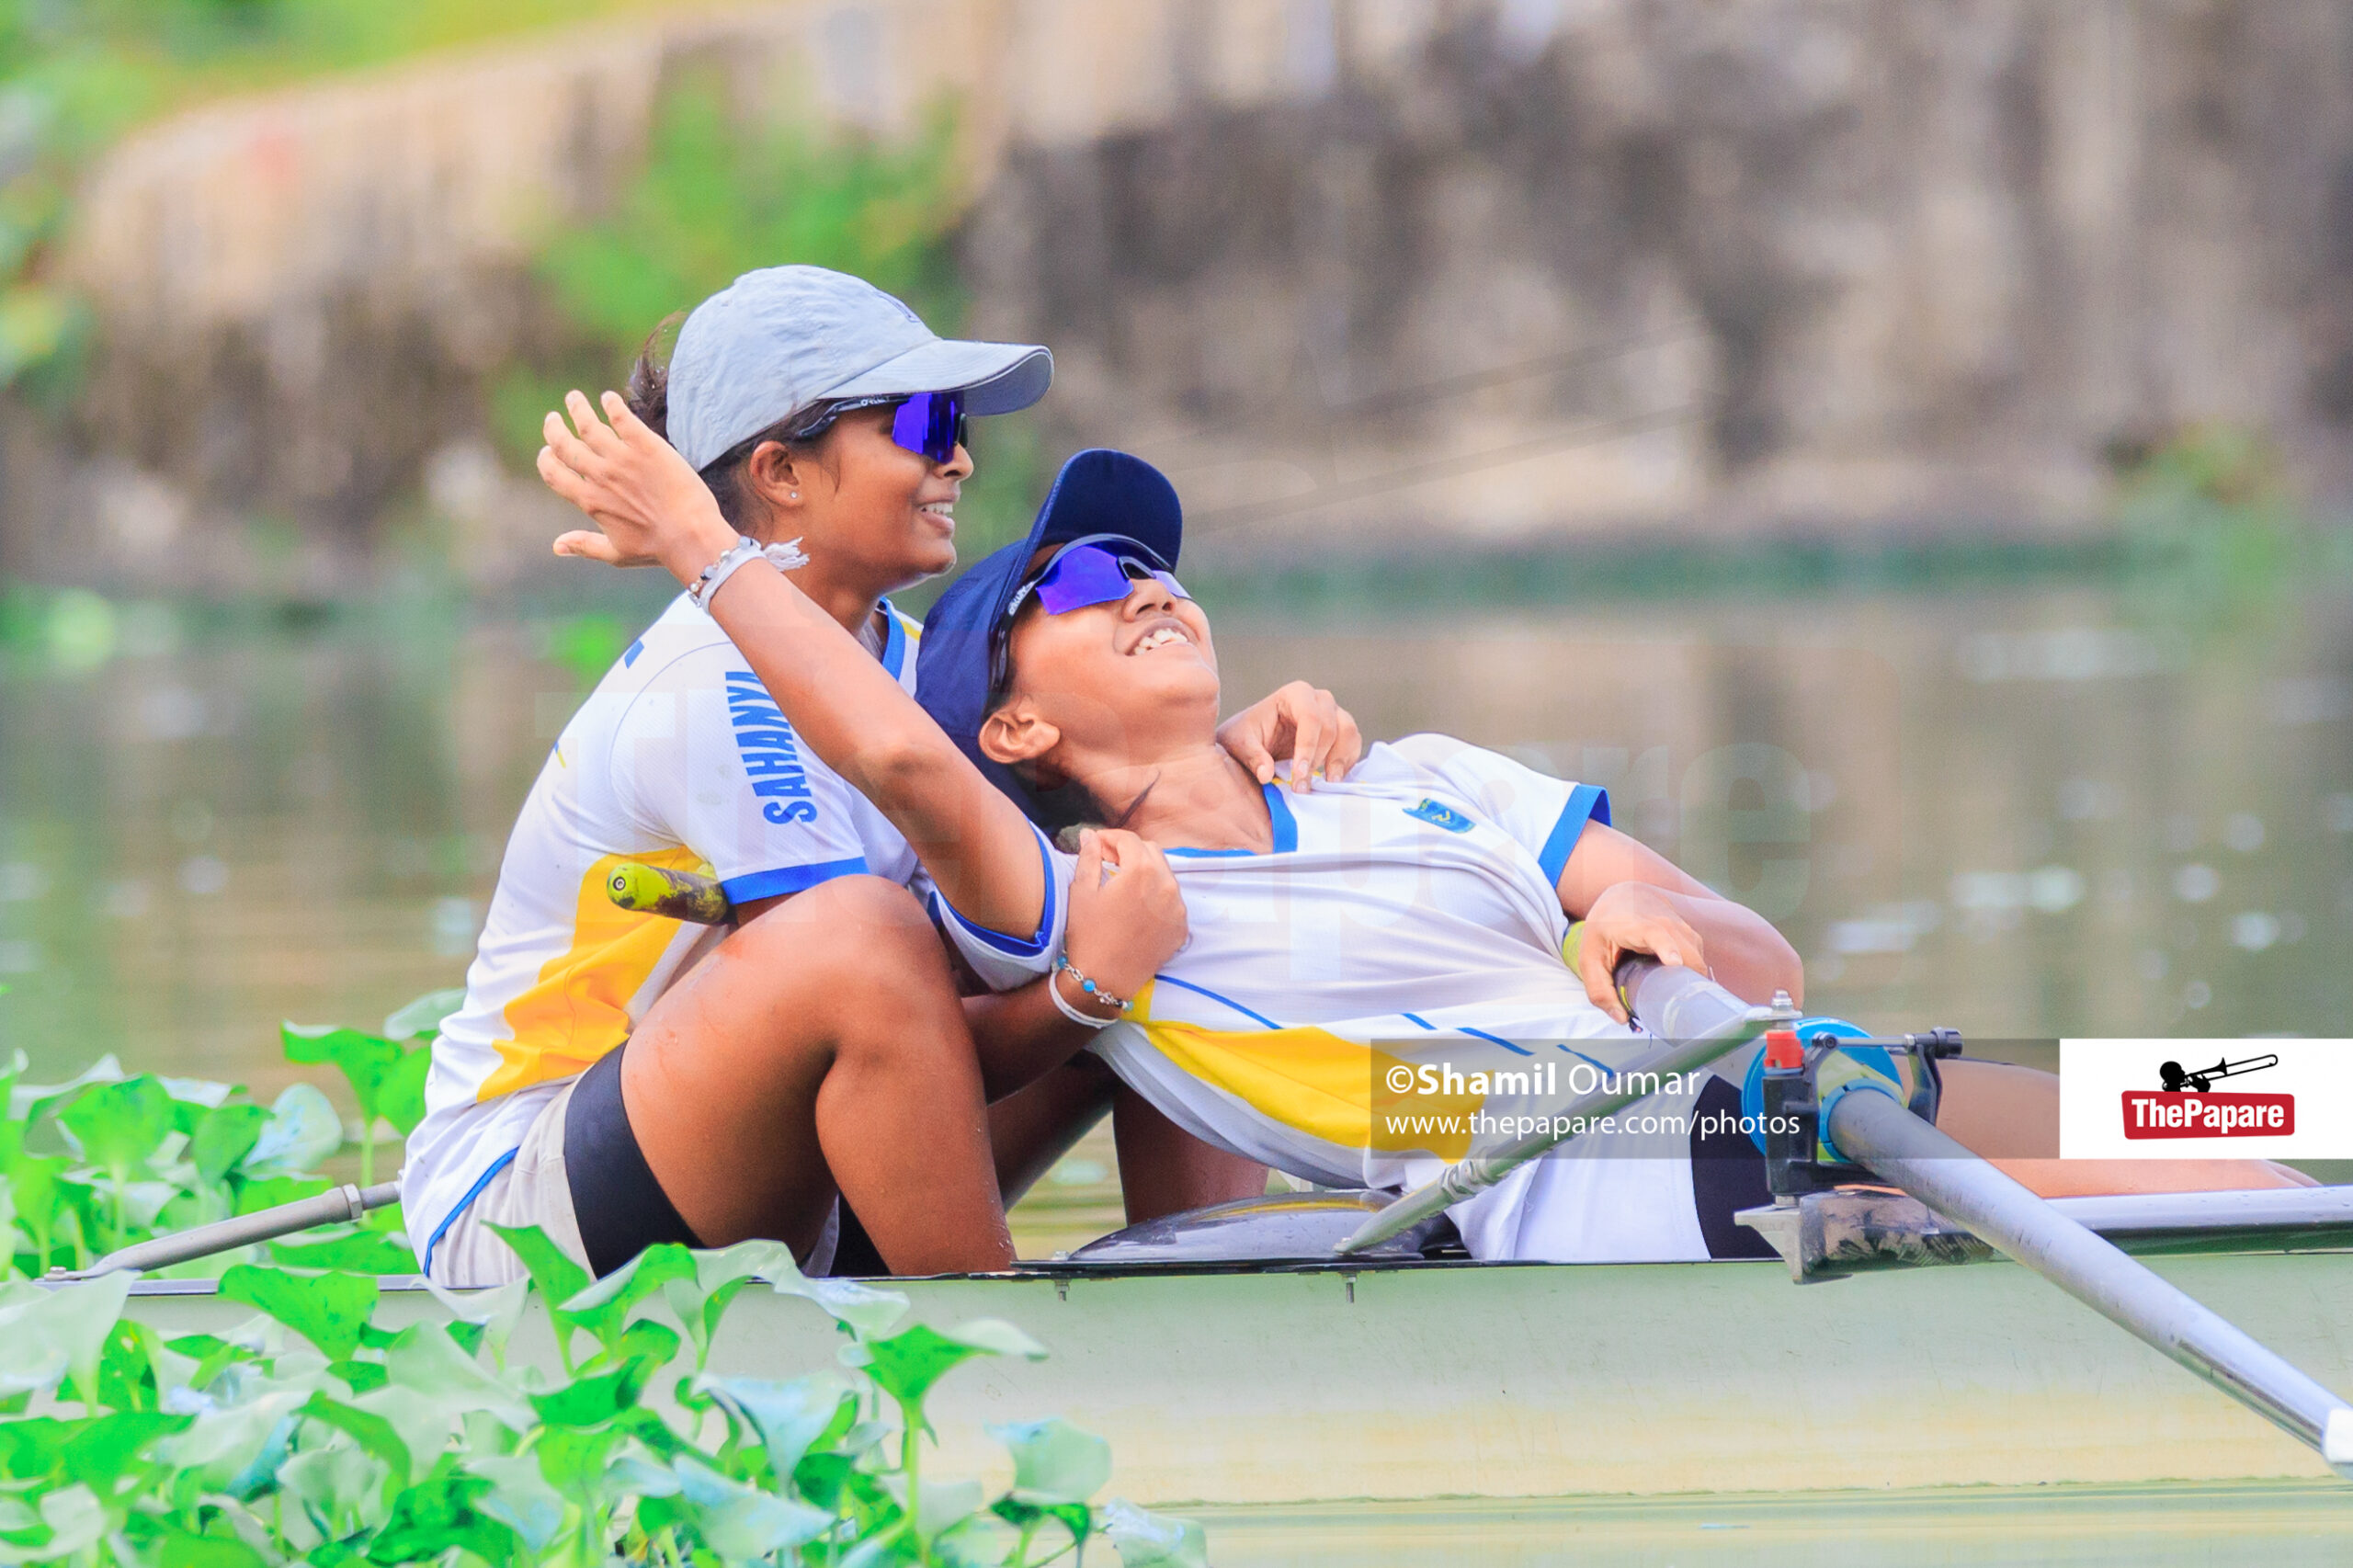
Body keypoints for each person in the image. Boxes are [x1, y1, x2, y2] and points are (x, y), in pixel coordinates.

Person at [538, 405, 2304, 1263]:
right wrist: (708, 546)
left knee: (2281, 1103)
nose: (1145, 584)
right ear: (1018, 723)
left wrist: (1654, 933)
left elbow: (1754, 961)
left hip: (1770, 1067)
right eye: (1084, 579)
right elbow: (901, 775)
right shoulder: (1085, 897)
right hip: (1515, 1136)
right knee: (2234, 1191)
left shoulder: (1422, 773)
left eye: (1155, 560)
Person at [403, 267, 1350, 1287]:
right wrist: (1085, 992)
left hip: (790, 1169)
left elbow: (1042, 885)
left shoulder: (907, 663)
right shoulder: (707, 690)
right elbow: (873, 1004)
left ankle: (1217, 1299)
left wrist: (1213, 765)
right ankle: (993, 1351)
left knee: (1159, 881)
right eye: (921, 419)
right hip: (526, 1208)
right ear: (780, 473)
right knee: (864, 930)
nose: (960, 456)